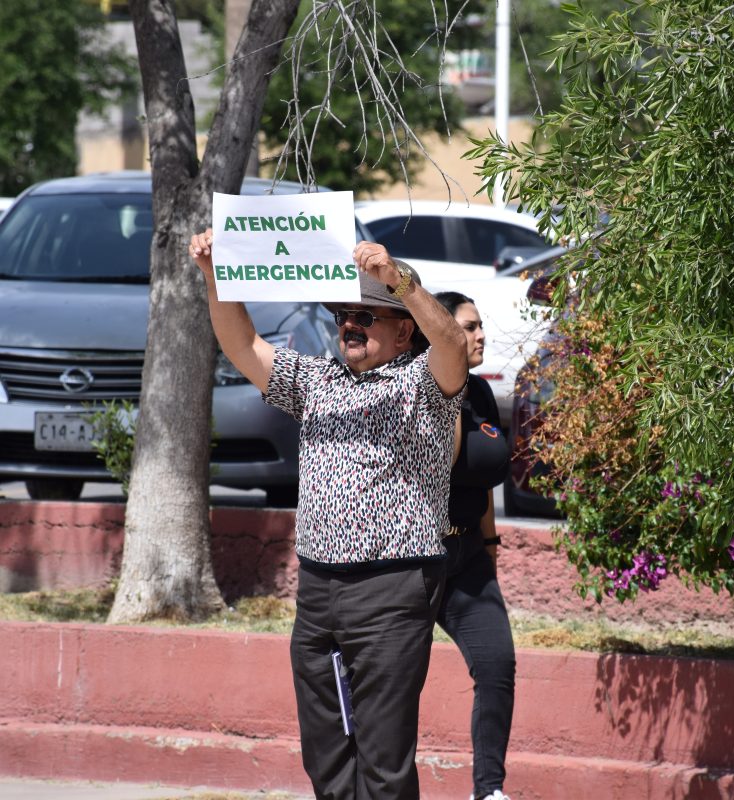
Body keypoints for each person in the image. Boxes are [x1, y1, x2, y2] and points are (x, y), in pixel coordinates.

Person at [190, 230, 467, 800]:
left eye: (366, 314)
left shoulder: (423, 383)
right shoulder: (318, 381)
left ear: (401, 331)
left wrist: (402, 283)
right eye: (343, 314)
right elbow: (244, 347)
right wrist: (216, 276)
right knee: (325, 755)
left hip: (391, 588)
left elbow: (454, 345)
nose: (350, 324)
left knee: (383, 760)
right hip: (318, 590)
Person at [434, 291, 516, 800]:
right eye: (469, 327)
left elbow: (484, 480)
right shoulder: (421, 393)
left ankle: (488, 791)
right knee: (395, 679)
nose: (481, 334)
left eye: (481, 325)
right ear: (441, 333)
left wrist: (488, 546)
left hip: (468, 560)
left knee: (497, 665)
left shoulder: (482, 396)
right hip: (416, 559)